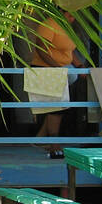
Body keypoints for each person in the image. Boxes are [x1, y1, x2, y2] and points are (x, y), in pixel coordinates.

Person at [25, 14, 81, 155]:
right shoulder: (48, 24)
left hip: (63, 70)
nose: (72, 18)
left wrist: (80, 66)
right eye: (69, 14)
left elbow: (70, 51)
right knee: (56, 109)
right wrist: (57, 68)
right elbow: (41, 48)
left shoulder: (67, 28)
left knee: (60, 107)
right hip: (47, 69)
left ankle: (41, 139)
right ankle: (53, 144)